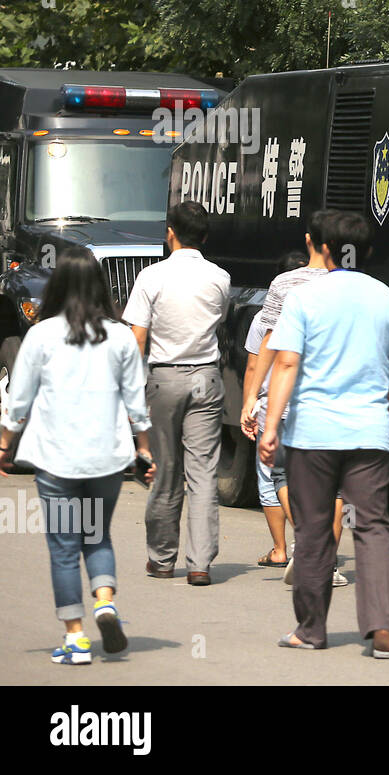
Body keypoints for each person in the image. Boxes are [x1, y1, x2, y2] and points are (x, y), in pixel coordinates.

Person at [259, 211, 389, 657]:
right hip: (369, 434)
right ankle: (383, 628)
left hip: (313, 434)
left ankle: (311, 629)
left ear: (324, 249)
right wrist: (384, 405)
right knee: (373, 526)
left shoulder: (304, 299)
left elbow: (286, 363)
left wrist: (271, 426)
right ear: (364, 251)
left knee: (313, 530)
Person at [0, 247, 155, 664]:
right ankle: (105, 601)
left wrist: (4, 445)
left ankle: (76, 639)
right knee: (97, 534)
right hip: (107, 458)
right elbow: (135, 402)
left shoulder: (42, 335)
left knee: (65, 547)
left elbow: (19, 401)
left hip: (57, 460)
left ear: (58, 285)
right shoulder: (120, 335)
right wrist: (143, 449)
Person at [123, 200, 230, 587]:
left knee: (167, 472)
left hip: (164, 378)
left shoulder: (151, 277)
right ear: (203, 236)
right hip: (206, 376)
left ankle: (163, 558)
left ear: (170, 233)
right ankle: (200, 564)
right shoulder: (220, 277)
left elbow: (137, 338)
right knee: (203, 474)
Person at [240, 217, 348, 588]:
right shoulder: (353, 286)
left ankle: (309, 548)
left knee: (283, 473)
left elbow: (268, 341)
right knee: (333, 485)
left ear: (309, 240)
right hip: (334, 400)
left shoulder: (284, 284)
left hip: (287, 400)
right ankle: (328, 563)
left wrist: (252, 397)